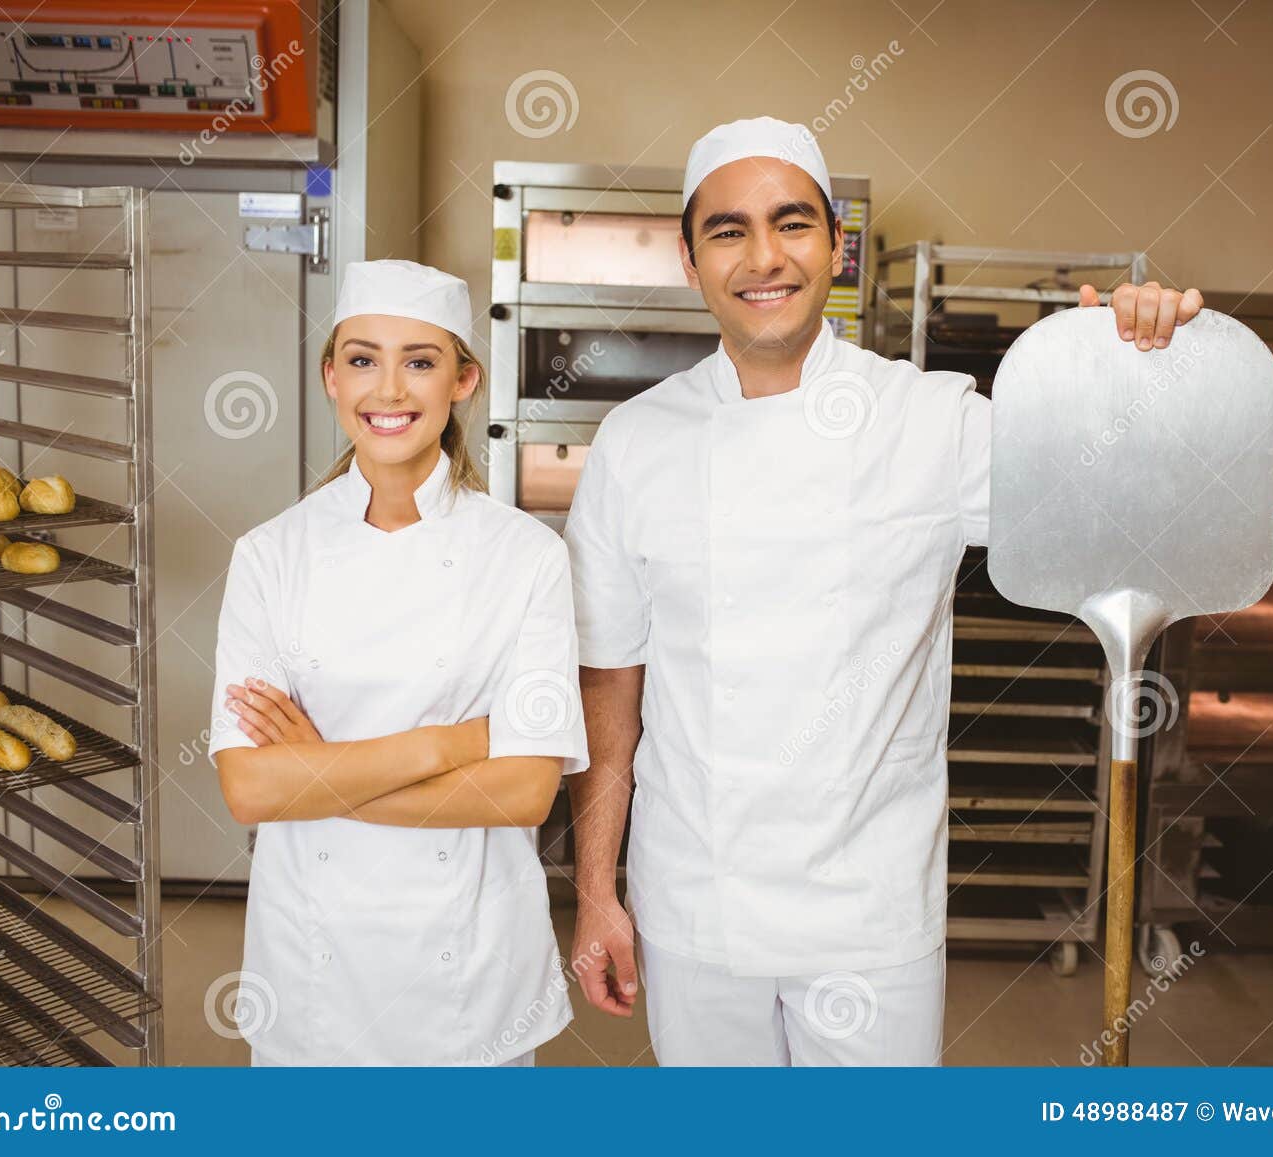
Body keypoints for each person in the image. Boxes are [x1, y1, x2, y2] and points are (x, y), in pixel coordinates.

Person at [562, 116, 1203, 1065]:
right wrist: (595, 891)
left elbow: (1125, 518)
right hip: (696, 898)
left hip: (870, 908)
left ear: (837, 246)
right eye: (729, 231)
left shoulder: (933, 421)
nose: (763, 257)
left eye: (792, 223)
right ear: (691, 261)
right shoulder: (634, 444)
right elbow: (609, 682)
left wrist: (1142, 369)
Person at [207, 259, 588, 1066]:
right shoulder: (270, 556)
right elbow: (250, 788)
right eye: (362, 359)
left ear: (463, 381)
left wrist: (316, 769)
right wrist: (452, 743)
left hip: (473, 981)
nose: (388, 389)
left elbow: (525, 790)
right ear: (330, 378)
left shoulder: (526, 557)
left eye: (419, 361)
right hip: (312, 978)